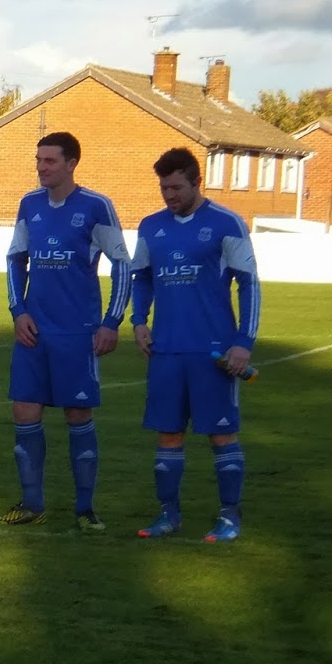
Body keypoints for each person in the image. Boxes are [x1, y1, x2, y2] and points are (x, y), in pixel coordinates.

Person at [0, 131, 132, 531]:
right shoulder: (29, 204)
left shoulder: (96, 207)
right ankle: (32, 503)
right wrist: (18, 311)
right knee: (23, 411)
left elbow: (121, 263)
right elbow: (14, 260)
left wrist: (111, 320)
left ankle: (85, 509)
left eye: (49, 161)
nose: (41, 167)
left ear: (72, 163)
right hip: (33, 330)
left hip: (77, 333)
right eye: (38, 160)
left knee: (77, 415)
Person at [130, 147, 259, 543]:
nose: (168, 195)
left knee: (221, 435)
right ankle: (168, 515)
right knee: (168, 435)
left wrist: (243, 343)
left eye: (175, 187)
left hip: (214, 352)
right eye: (163, 187)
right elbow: (142, 278)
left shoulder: (227, 223)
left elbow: (249, 283)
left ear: (195, 181)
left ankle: (229, 517)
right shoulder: (150, 227)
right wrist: (138, 321)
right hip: (166, 351)